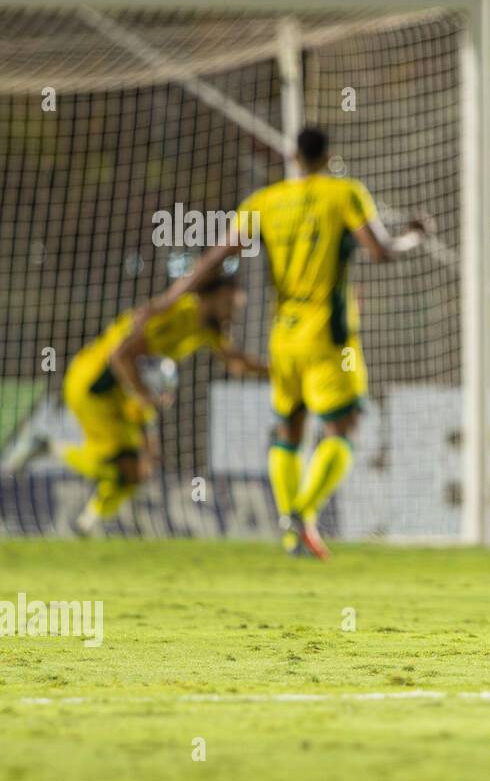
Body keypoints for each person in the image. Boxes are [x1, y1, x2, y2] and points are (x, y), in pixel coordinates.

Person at [162, 126, 429, 558]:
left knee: (290, 429)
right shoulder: (345, 194)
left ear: (294, 156)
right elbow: (380, 252)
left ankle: (292, 534)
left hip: (283, 335)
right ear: (327, 155)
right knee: (344, 426)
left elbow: (216, 256)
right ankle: (301, 516)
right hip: (329, 335)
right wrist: (416, 234)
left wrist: (170, 297)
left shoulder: (264, 202)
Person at [5, 273, 265, 534]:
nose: (233, 314)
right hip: (94, 384)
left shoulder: (206, 330)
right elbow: (120, 356)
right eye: (231, 305)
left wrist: (277, 371)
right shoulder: (174, 312)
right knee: (117, 464)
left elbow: (237, 363)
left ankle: (86, 522)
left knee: (138, 471)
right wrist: (146, 397)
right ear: (214, 296)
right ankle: (50, 447)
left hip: (122, 394)